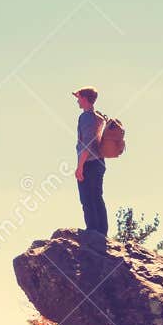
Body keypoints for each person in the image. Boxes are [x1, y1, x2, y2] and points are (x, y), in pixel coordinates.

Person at [73, 86, 108, 242]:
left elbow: (87, 142)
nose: (77, 100)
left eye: (79, 98)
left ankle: (93, 232)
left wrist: (80, 166)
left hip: (90, 163)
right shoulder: (98, 116)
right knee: (97, 197)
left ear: (85, 99)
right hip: (99, 162)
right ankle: (101, 232)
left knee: (87, 199)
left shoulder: (86, 117)